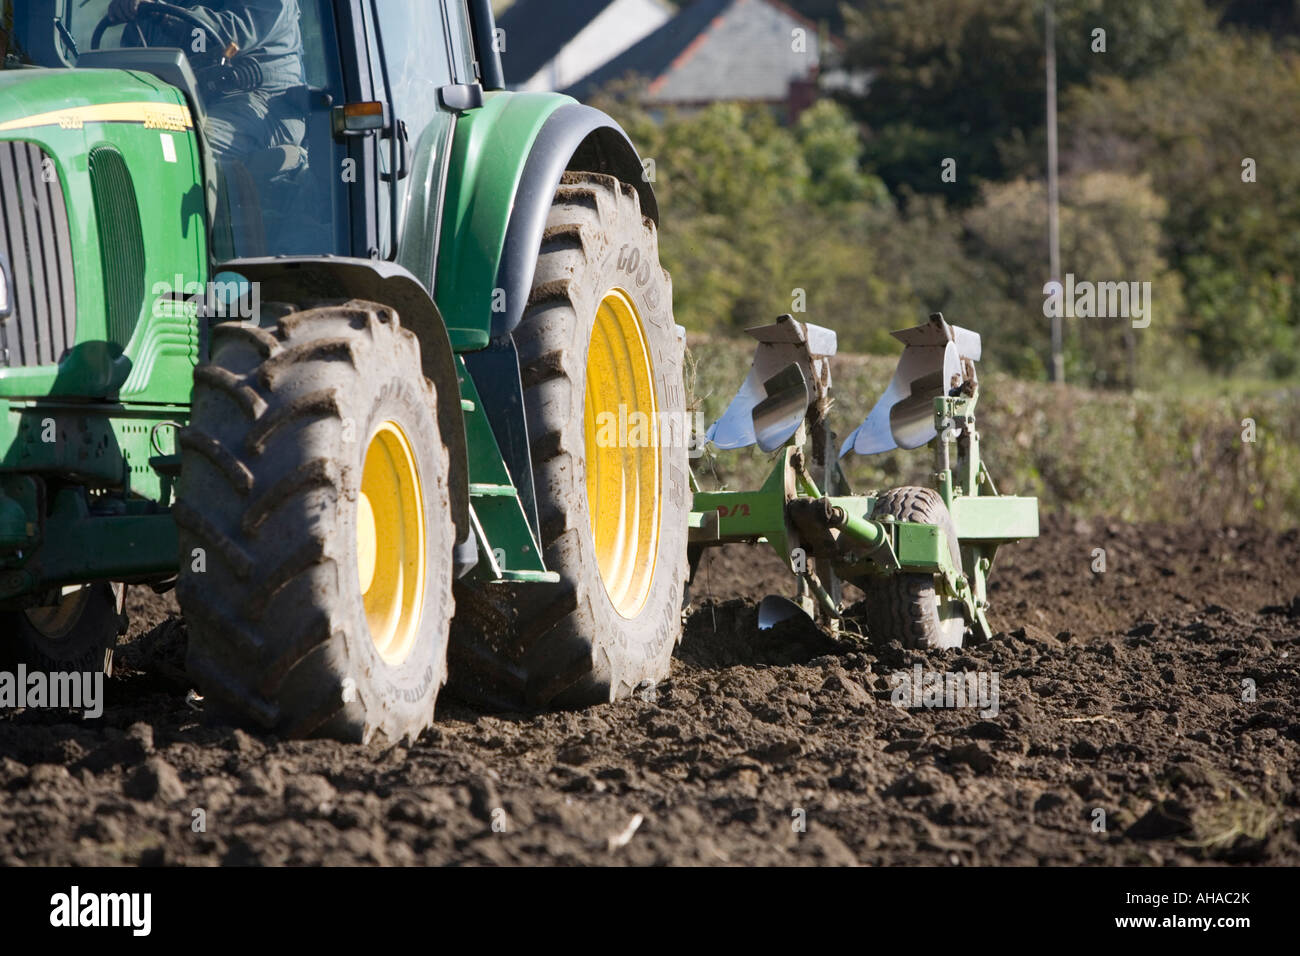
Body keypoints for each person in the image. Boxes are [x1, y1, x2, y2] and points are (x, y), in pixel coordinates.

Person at [107, 0, 308, 168]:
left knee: (187, 149)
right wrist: (131, 12)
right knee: (122, 138)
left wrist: (162, 15)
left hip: (262, 105)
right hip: (190, 102)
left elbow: (223, 36)